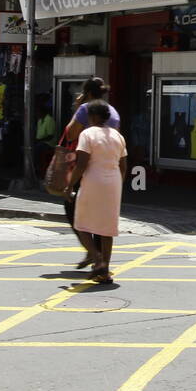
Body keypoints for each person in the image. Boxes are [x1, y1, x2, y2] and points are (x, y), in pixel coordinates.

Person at [65, 100, 127, 285]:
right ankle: (105, 271)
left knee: (81, 224)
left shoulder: (87, 134)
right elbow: (123, 165)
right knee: (107, 228)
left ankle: (97, 259)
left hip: (93, 181)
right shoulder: (117, 136)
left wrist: (70, 185)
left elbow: (82, 163)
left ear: (92, 116)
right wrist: (117, 183)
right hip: (114, 182)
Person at [59, 77, 121, 236]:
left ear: (87, 93)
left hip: (86, 169)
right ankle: (100, 256)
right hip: (110, 170)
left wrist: (78, 107)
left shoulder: (85, 109)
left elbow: (71, 134)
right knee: (102, 214)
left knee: (73, 208)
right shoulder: (113, 112)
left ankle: (92, 252)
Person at [35, 93, 57, 180]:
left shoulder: (49, 120)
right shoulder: (40, 120)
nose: (36, 114)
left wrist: (40, 140)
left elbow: (50, 136)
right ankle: (36, 168)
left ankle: (39, 169)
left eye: (38, 112)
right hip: (41, 142)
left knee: (38, 148)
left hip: (49, 144)